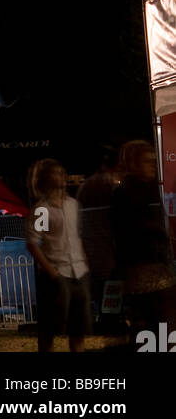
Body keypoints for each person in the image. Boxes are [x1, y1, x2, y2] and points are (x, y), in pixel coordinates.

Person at [111, 139, 176, 341]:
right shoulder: (130, 192)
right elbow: (133, 229)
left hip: (144, 270)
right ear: (133, 164)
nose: (152, 166)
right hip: (146, 270)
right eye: (146, 161)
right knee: (162, 327)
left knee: (150, 329)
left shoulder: (142, 189)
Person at [26, 159, 92, 353]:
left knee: (78, 330)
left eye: (62, 172)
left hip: (79, 272)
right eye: (56, 173)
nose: (62, 176)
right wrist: (52, 273)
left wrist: (85, 261)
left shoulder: (73, 205)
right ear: (46, 179)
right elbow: (33, 243)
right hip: (57, 274)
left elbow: (78, 235)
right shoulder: (43, 210)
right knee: (49, 330)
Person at [77, 149, 120, 326]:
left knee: (99, 290)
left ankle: (104, 319)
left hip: (91, 252)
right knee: (111, 292)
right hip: (109, 251)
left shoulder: (84, 187)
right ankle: (110, 320)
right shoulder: (112, 186)